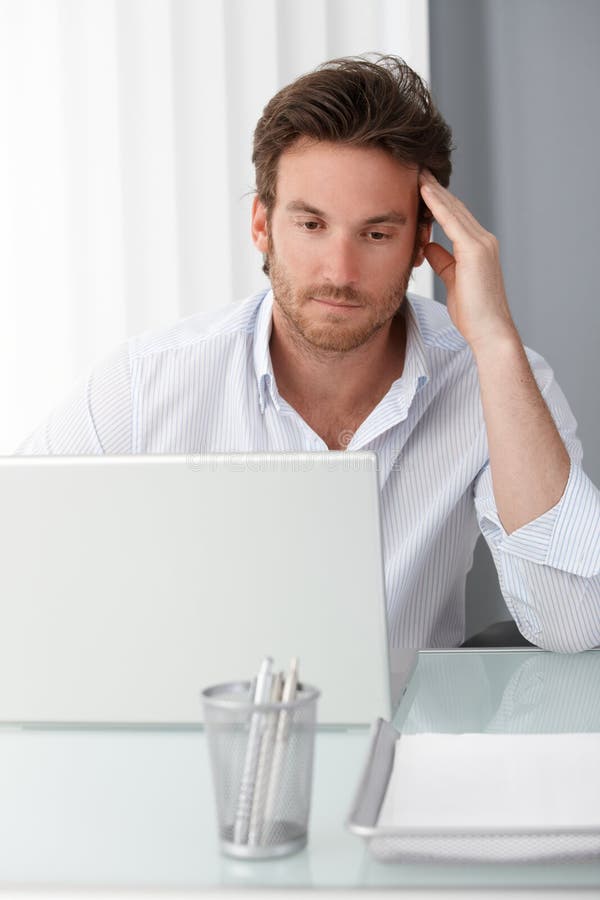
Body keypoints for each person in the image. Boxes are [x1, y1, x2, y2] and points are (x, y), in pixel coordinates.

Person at [18, 55, 599, 651]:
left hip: (406, 739)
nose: (340, 273)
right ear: (263, 227)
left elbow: (572, 623)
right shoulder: (147, 383)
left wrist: (497, 343)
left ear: (421, 242)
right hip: (200, 736)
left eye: (376, 234)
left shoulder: (494, 379)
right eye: (312, 226)